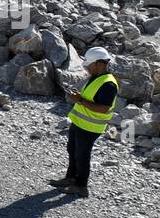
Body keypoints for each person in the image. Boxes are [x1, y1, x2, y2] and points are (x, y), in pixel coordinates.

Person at [50, 46, 118, 198]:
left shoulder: (108, 84)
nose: (86, 67)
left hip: (90, 127)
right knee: (72, 150)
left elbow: (103, 108)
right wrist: (79, 96)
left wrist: (79, 99)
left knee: (82, 155)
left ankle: (81, 186)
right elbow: (92, 98)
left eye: (89, 64)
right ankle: (70, 178)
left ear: (99, 63)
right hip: (79, 122)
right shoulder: (96, 77)